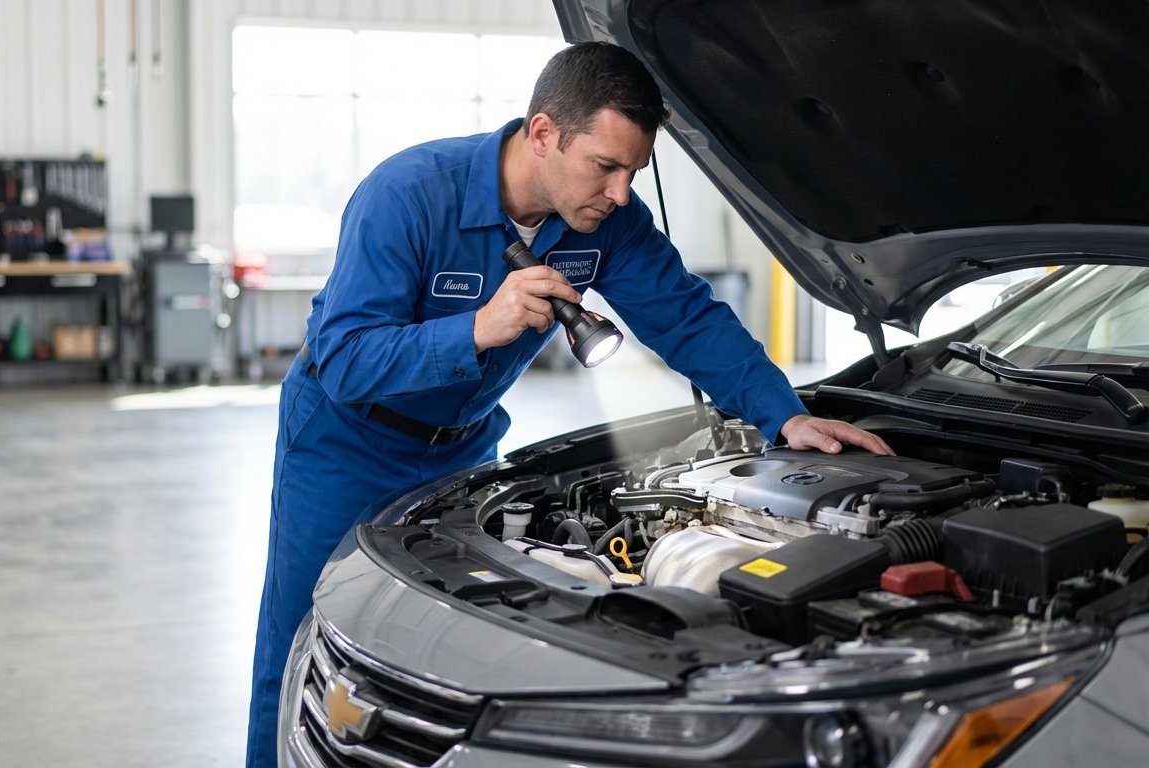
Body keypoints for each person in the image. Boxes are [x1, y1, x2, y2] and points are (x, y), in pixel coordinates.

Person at [245, 41, 892, 767]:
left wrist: (784, 414)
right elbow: (343, 359)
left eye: (634, 172)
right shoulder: (408, 194)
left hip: (464, 443)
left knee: (450, 641)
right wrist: (476, 329)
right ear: (544, 133)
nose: (620, 193)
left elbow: (686, 316)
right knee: (300, 636)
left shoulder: (607, 220)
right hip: (344, 440)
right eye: (605, 166)